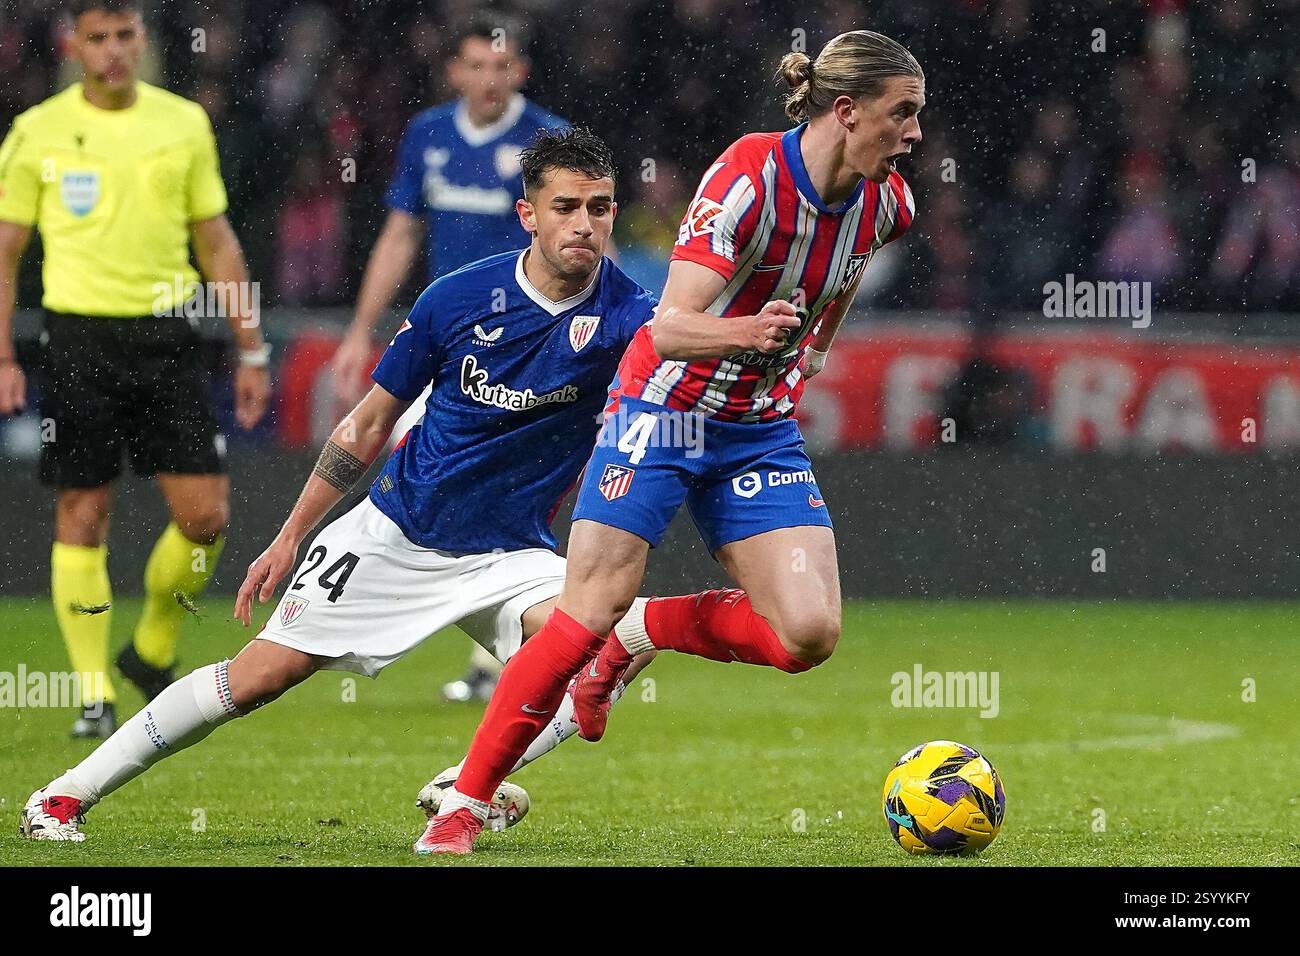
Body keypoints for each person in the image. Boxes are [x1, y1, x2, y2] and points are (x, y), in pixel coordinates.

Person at [20, 127, 656, 843]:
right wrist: (293, 533)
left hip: (509, 554)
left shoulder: (630, 316)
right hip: (397, 533)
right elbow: (368, 424)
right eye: (565, 206)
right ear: (528, 215)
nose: (584, 224)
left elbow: (681, 369)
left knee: (610, 647)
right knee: (260, 675)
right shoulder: (456, 300)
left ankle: (469, 785)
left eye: (599, 208)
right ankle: (63, 796)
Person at [417, 29, 924, 855]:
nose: (912, 134)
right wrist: (752, 331)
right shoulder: (748, 178)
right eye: (901, 114)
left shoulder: (889, 201)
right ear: (846, 110)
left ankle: (645, 631)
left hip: (755, 431)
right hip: (663, 409)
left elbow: (848, 266)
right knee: (581, 614)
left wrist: (815, 348)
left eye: (916, 116)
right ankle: (465, 804)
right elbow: (671, 327)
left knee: (808, 635)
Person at [0, 0, 269, 738]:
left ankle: (152, 645)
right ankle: (93, 691)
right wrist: (1, 355)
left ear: (142, 40)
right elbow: (6, 251)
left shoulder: (181, 122)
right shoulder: (37, 132)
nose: (114, 51)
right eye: (99, 38)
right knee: (83, 512)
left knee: (205, 517)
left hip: (168, 337)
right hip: (78, 340)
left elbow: (216, 242)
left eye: (125, 35)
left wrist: (250, 348)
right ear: (73, 45)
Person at [333, 12, 566, 704]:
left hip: (528, 343)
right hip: (446, 338)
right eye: (477, 66)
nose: (490, 79)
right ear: (456, 71)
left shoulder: (545, 140)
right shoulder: (428, 134)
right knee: (429, 468)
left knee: (491, 484)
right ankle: (506, 640)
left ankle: (495, 651)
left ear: (519, 71)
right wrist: (358, 329)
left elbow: (580, 240)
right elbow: (401, 234)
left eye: (502, 67)